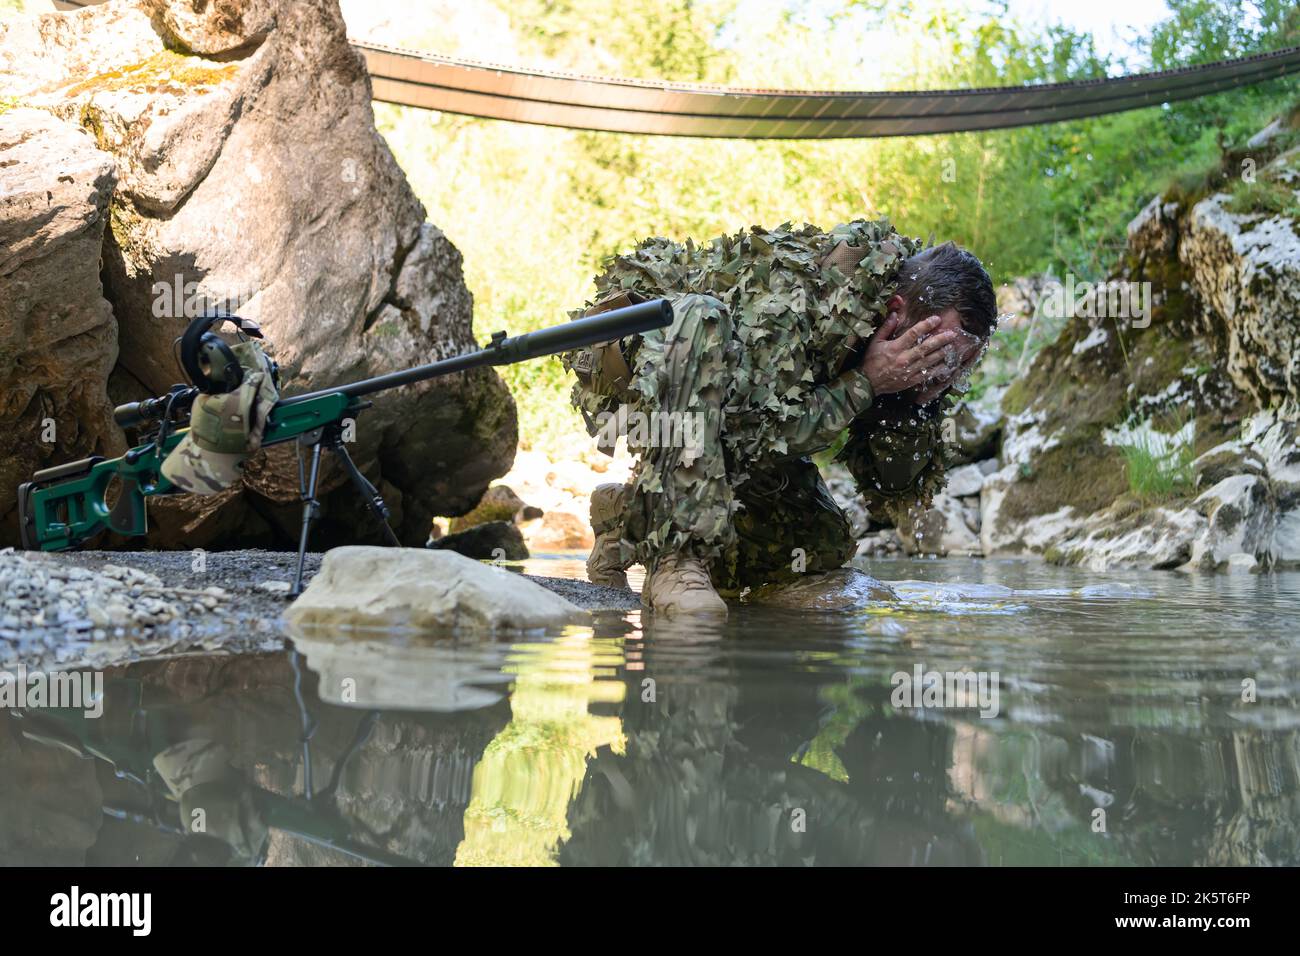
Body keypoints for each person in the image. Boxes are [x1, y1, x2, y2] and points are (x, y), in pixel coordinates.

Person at [563, 218, 996, 615]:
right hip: (635, 343)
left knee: (817, 547)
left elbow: (892, 488)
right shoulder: (807, 295)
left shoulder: (916, 352)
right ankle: (676, 558)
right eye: (944, 355)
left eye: (961, 363)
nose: (947, 370)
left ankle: (625, 515)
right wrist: (866, 382)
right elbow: (746, 437)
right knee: (699, 318)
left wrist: (917, 401)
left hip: (728, 411)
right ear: (898, 312)